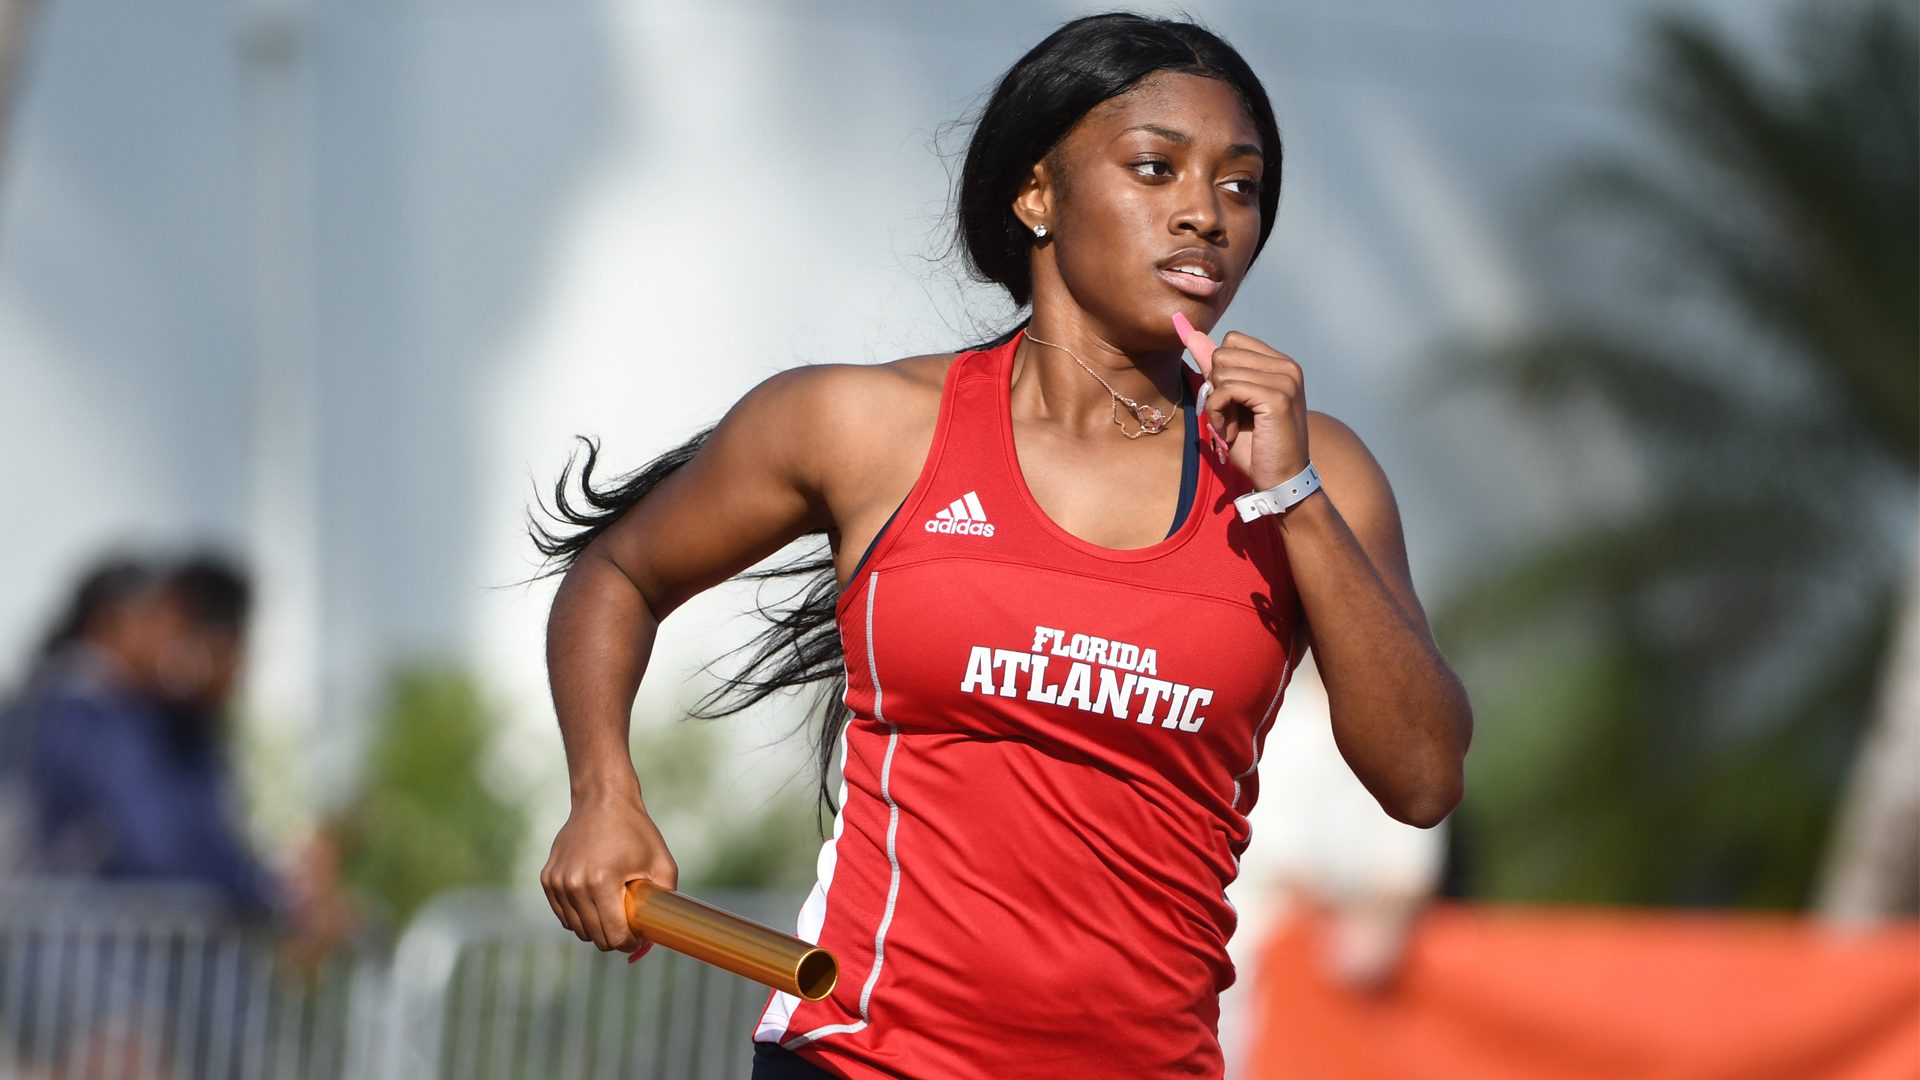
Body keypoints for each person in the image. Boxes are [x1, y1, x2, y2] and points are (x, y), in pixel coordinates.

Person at [536, 14, 1472, 1080]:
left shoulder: (1319, 475)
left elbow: (1423, 780)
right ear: (1037, 196)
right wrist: (602, 794)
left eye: (1241, 187)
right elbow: (617, 570)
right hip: (861, 1061)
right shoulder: (865, 427)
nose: (1205, 215)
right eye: (1156, 168)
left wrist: (1293, 498)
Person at [7, 554, 271, 910]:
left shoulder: (127, 714)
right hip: (79, 948)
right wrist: (266, 893)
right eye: (159, 618)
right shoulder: (82, 717)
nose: (172, 638)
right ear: (112, 621)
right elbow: (158, 844)